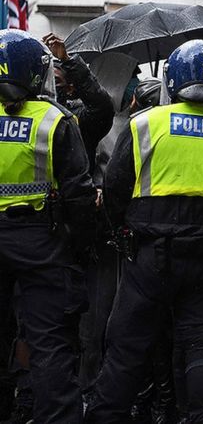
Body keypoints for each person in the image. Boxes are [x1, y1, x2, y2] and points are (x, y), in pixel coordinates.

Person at [84, 39, 203, 423]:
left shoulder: (146, 123)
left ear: (173, 78)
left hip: (149, 257)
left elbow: (115, 189)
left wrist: (122, 233)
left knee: (127, 349)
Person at [0, 29, 96, 423]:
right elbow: (79, 194)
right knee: (50, 344)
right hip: (41, 242)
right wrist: (82, 248)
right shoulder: (55, 120)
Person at [42, 32, 114, 172]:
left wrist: (67, 60)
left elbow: (102, 107)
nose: (49, 86)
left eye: (55, 81)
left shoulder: (79, 119)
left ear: (70, 89)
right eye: (46, 80)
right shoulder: (31, 115)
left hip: (74, 192)